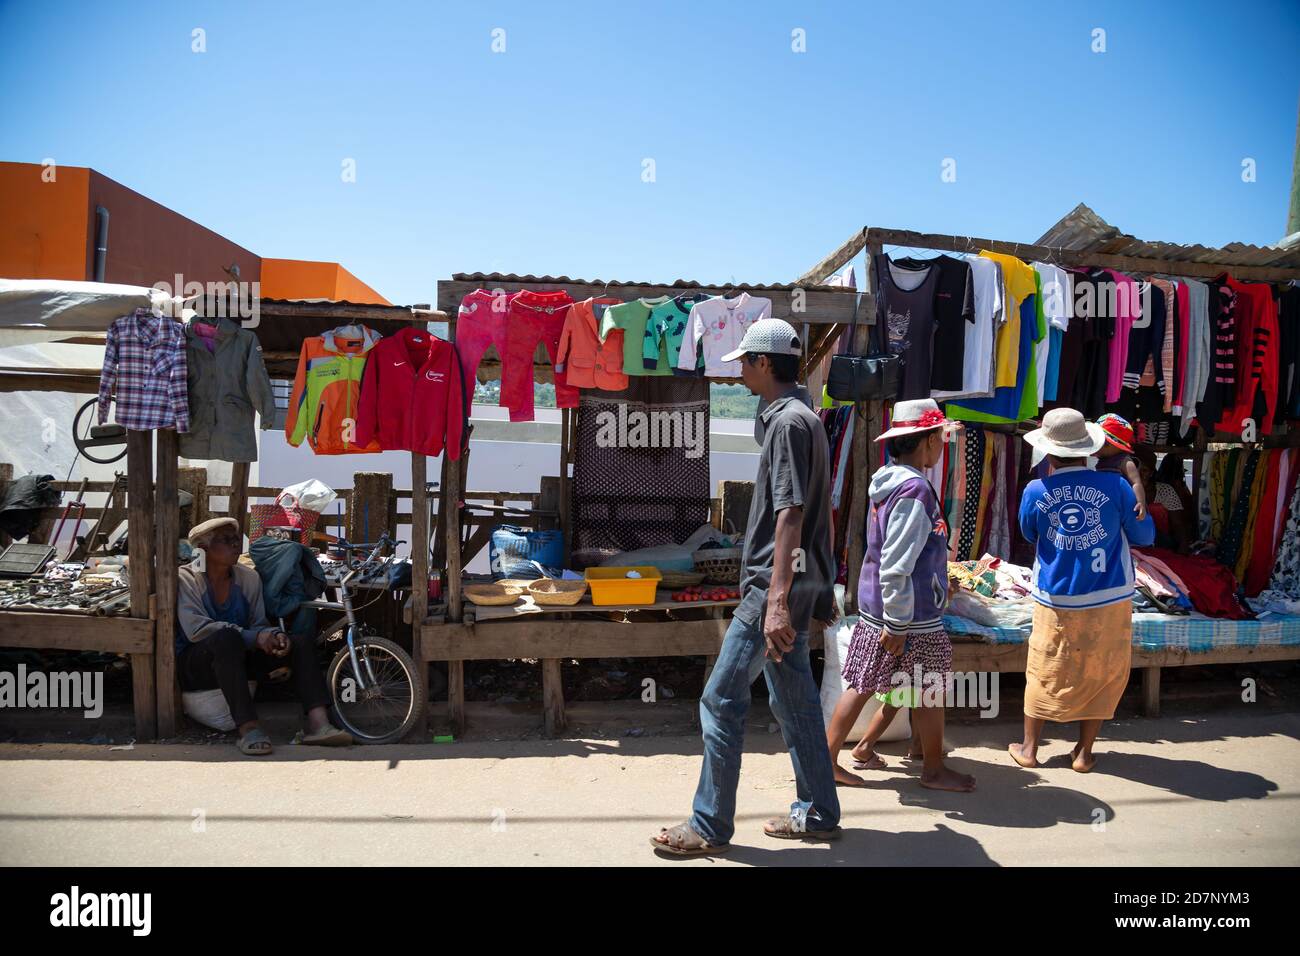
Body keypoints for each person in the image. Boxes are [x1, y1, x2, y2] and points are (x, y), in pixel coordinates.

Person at [651, 318, 840, 856]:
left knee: (721, 697)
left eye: (743, 363)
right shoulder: (806, 418)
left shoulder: (787, 424)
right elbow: (818, 512)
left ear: (764, 362)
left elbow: (791, 513)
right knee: (795, 700)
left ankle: (709, 825)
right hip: (802, 582)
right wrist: (816, 591)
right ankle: (820, 813)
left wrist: (776, 600)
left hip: (770, 589)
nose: (737, 372)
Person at [824, 399, 975, 792]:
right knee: (927, 688)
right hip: (906, 616)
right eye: (939, 438)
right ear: (926, 442)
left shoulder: (890, 480)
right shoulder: (915, 490)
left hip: (887, 608)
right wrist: (898, 623)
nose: (942, 446)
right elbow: (897, 564)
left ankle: (828, 762)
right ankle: (934, 770)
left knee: (866, 683)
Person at [1010, 408, 1154, 773]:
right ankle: (1084, 753)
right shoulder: (1117, 486)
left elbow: (1029, 534)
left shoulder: (1035, 490)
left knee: (1045, 666)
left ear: (1048, 451)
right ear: (1087, 449)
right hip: (1109, 596)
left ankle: (1029, 749)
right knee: (1101, 669)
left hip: (1055, 597)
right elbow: (1144, 536)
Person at [177, 517, 352, 755]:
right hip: (199, 664)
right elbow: (196, 630)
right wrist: (253, 637)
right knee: (226, 638)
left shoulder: (248, 579)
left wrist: (273, 635)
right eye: (226, 540)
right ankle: (248, 729)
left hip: (236, 659)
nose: (235, 545)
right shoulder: (186, 579)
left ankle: (319, 724)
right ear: (204, 549)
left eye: (236, 539)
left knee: (298, 642)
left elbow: (258, 623)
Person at [1094, 413, 1147, 520]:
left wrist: (1141, 502)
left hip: (1122, 504)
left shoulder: (1124, 461)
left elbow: (1136, 483)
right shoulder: (1104, 458)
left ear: (1108, 444)